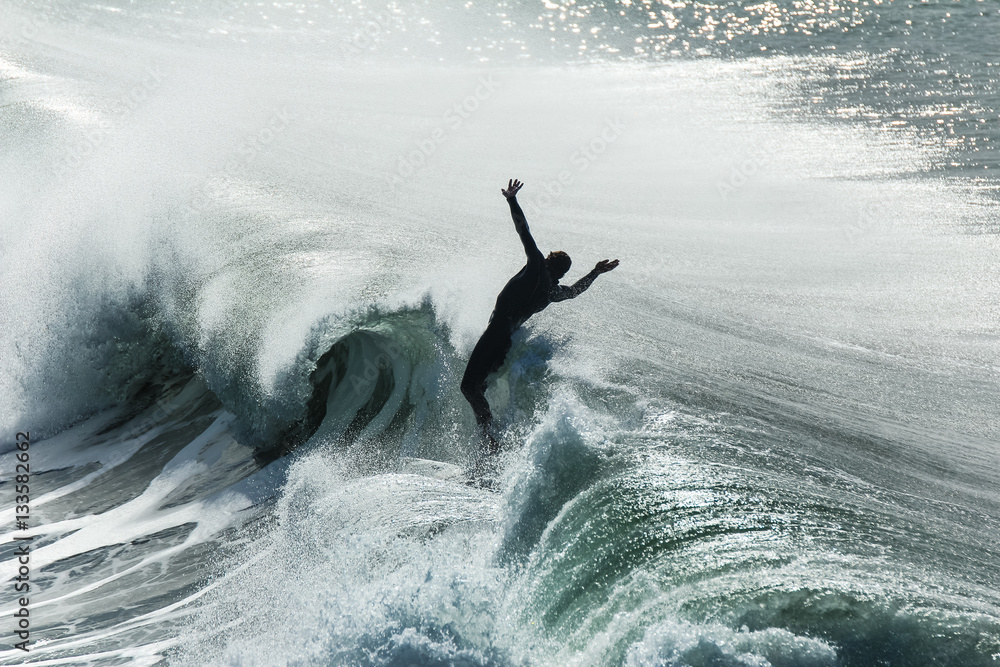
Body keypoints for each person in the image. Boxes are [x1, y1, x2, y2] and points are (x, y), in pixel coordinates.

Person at [461, 178, 619, 452]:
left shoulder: (536, 267)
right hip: (508, 341)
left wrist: (512, 200)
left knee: (468, 388)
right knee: (478, 390)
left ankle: (489, 440)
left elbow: (525, 231)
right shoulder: (551, 292)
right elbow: (574, 292)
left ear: (547, 260)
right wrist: (595, 272)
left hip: (496, 333)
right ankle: (489, 441)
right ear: (561, 273)